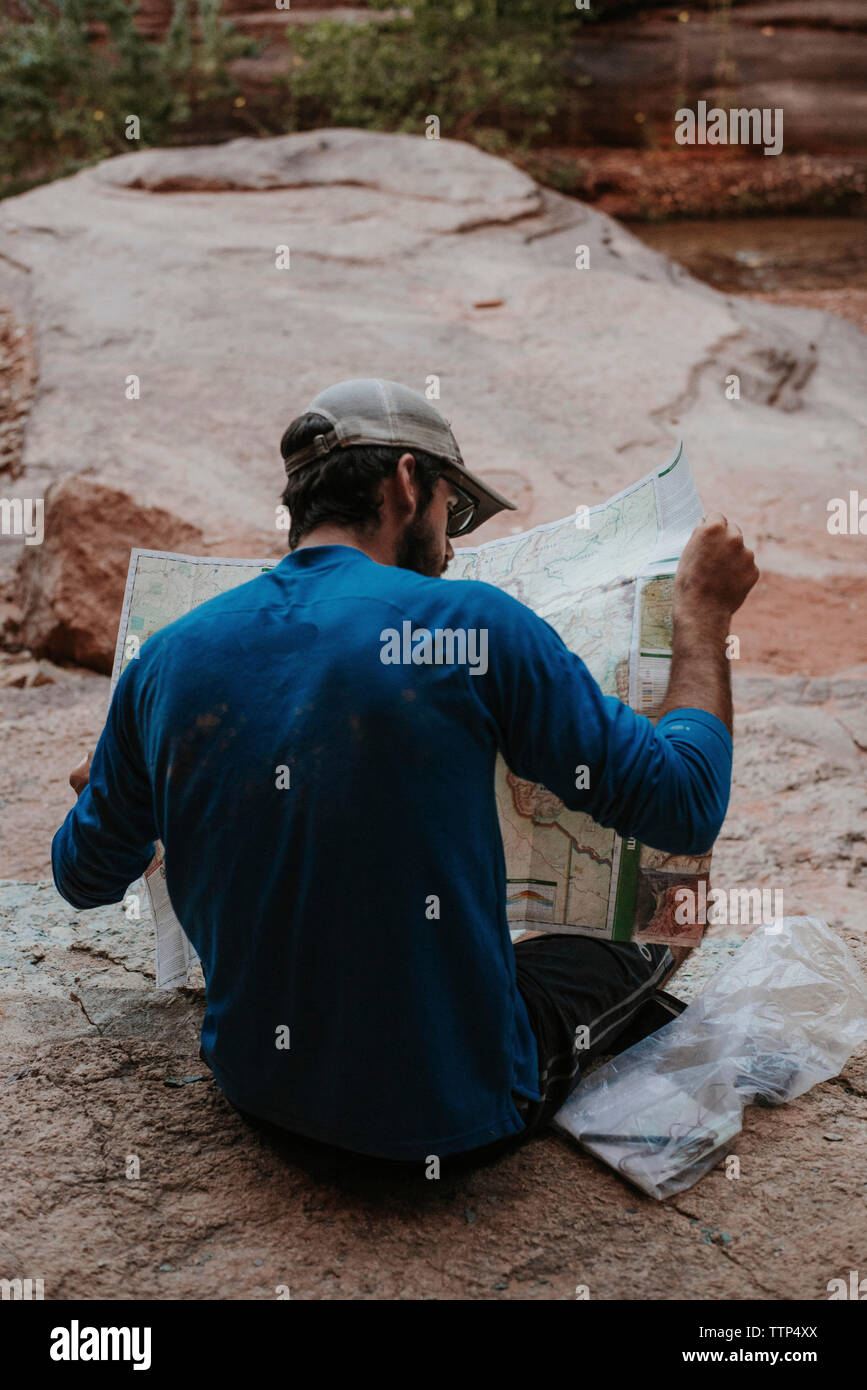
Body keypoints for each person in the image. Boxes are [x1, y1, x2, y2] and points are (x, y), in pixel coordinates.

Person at [53, 379, 759, 1165]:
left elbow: (83, 877)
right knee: (671, 899)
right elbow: (689, 802)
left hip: (258, 1096)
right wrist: (703, 616)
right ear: (403, 481)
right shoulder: (473, 626)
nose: (452, 545)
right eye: (450, 510)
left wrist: (111, 794)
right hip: (450, 1116)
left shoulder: (168, 658)